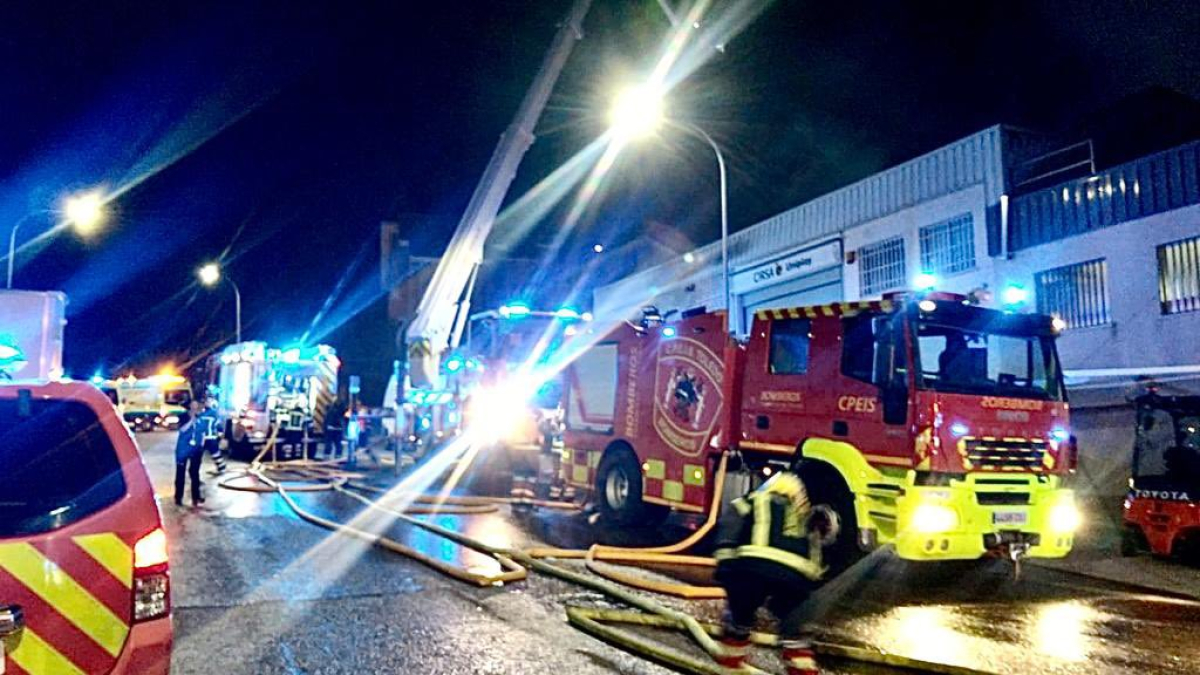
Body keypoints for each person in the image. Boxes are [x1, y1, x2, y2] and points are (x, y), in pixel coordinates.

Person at [713, 470, 839, 675]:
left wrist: (725, 566)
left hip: (752, 570)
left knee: (738, 622)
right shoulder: (805, 514)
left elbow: (730, 525)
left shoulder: (756, 499)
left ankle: (729, 667)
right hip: (796, 579)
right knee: (796, 638)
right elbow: (820, 549)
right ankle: (803, 669)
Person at [173, 404, 205, 507]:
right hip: (183, 449)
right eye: (194, 406)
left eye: (197, 407)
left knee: (195, 473)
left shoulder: (200, 417)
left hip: (196, 449)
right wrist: (191, 421)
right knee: (180, 474)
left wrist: (201, 444)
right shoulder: (183, 416)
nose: (195, 408)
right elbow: (182, 429)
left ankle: (196, 497)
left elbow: (202, 431)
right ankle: (178, 498)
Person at [196, 397, 226, 475]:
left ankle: (221, 468)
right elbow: (219, 426)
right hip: (209, 437)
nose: (206, 403)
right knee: (215, 453)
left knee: (213, 454)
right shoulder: (213, 413)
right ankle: (221, 468)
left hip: (206, 437)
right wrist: (220, 435)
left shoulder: (206, 413)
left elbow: (218, 425)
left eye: (208, 401)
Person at [322, 394, 347, 459]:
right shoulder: (340, 409)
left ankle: (328, 456)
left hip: (332, 428)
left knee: (331, 443)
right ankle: (336, 456)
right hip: (336, 428)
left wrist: (325, 428)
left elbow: (326, 419)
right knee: (336, 444)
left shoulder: (331, 409)